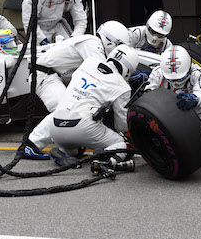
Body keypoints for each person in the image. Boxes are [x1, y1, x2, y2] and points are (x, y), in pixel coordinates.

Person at [23, 20, 130, 159]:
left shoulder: (92, 42)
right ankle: (31, 144)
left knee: (70, 112)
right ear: (110, 41)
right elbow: (101, 75)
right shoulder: (93, 43)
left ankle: (65, 150)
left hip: (51, 76)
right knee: (64, 111)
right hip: (45, 75)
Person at [146, 45, 201, 165]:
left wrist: (194, 99)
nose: (176, 83)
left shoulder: (199, 74)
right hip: (164, 113)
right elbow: (148, 96)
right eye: (172, 79)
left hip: (193, 111)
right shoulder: (157, 73)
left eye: (180, 78)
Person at [123, 10, 173, 85]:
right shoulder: (134, 34)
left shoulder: (167, 45)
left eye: (160, 35)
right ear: (148, 26)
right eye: (154, 32)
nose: (156, 37)